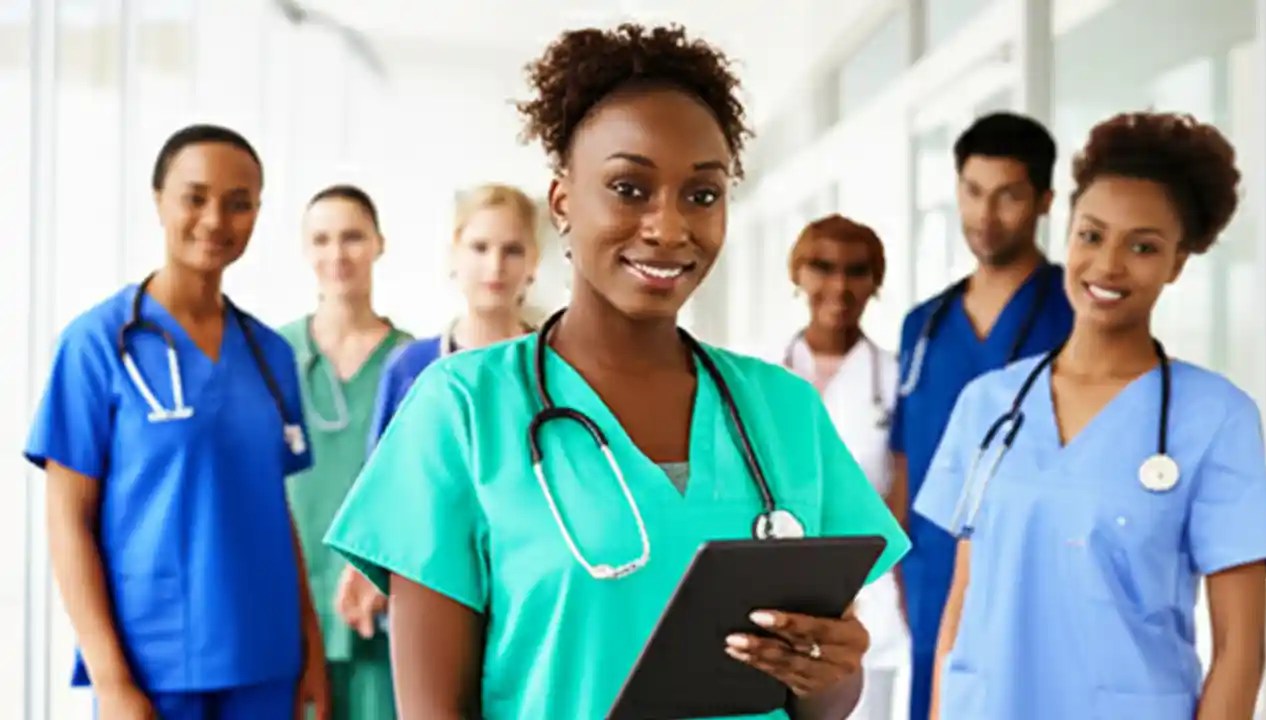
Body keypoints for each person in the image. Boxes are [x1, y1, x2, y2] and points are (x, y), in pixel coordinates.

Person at [324, 23, 910, 720]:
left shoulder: (784, 411)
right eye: (630, 188)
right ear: (564, 202)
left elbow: (824, 705)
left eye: (701, 195)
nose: (668, 228)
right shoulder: (462, 409)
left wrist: (831, 672)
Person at [918, 111, 1266, 719]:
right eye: (1091, 235)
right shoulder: (988, 403)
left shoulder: (1216, 419)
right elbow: (961, 605)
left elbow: (1241, 647)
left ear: (1178, 263)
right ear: (1067, 235)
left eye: (1143, 246)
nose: (1108, 265)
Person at [24, 124, 329, 719]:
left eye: (239, 203)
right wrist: (110, 679)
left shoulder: (270, 355)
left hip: (266, 663)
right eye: (195, 197)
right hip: (153, 668)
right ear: (158, 199)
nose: (216, 219)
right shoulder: (97, 345)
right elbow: (67, 519)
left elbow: (276, 509)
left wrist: (310, 650)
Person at [889, 111, 1073, 720]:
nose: (985, 216)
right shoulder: (924, 326)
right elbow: (905, 454)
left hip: (1040, 571)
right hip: (933, 570)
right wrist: (898, 560)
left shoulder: (1074, 318)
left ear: (1045, 200)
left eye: (1008, 196)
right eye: (972, 191)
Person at [278, 185, 412, 719]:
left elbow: (424, 495)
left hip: (379, 614)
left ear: (379, 243)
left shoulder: (413, 363)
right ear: (305, 249)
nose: (338, 254)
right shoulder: (273, 355)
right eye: (323, 239)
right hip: (289, 608)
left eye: (353, 237)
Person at [781, 214, 910, 720]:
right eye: (823, 267)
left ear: (876, 281)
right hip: (781, 577)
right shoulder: (764, 371)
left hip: (872, 583)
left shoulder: (896, 378)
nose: (839, 285)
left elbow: (903, 483)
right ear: (798, 274)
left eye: (857, 270)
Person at [366, 182, 541, 449]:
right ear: (454, 256)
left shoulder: (554, 367)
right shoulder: (411, 367)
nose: (495, 265)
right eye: (480, 248)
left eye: (512, 250)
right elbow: (384, 481)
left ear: (533, 261)